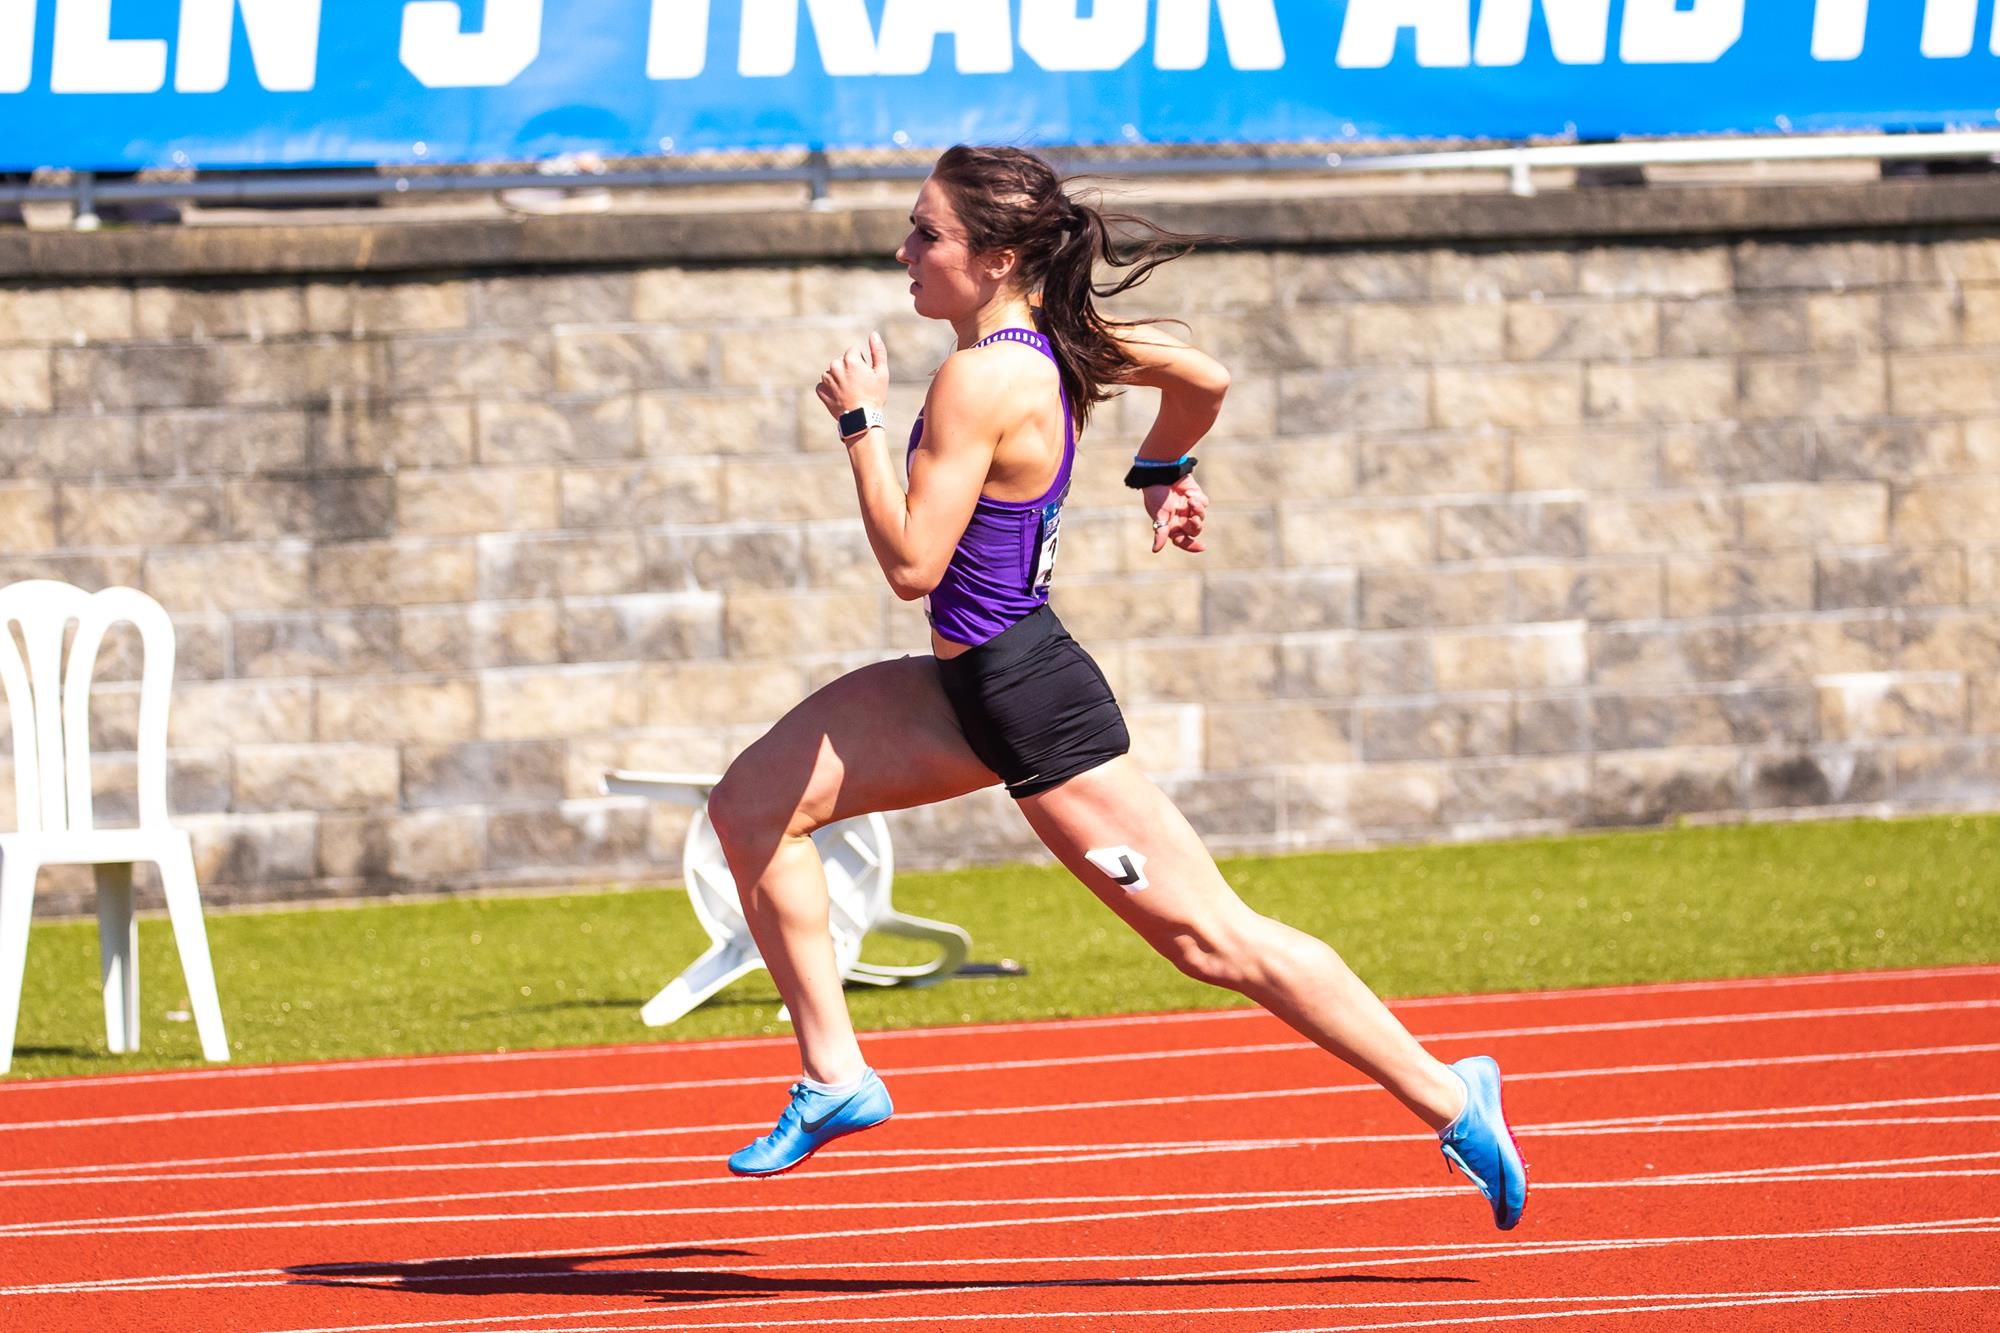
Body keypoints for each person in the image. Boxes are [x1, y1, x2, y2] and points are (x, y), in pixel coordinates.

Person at [705, 145, 1527, 1230]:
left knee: (1210, 942)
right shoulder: (1049, 343)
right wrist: (1162, 472)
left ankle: (1444, 1092)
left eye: (925, 235)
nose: (903, 253)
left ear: (995, 257)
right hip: (964, 684)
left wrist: (857, 425)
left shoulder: (981, 375)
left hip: (1030, 702)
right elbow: (1204, 378)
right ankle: (833, 1077)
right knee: (753, 806)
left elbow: (911, 566)